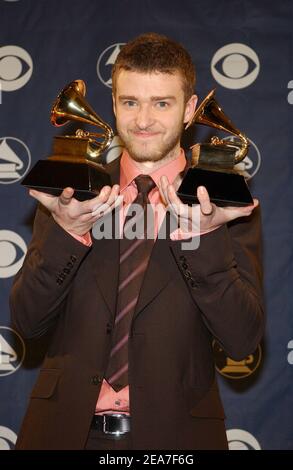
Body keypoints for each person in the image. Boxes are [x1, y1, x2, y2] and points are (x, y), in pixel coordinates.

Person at [10, 32, 264, 450]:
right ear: (113, 106)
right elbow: (27, 321)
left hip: (176, 442)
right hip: (61, 435)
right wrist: (69, 233)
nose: (143, 120)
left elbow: (242, 337)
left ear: (188, 109)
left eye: (161, 103)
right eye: (131, 102)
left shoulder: (221, 203)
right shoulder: (71, 195)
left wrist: (205, 236)